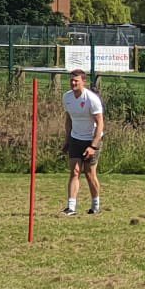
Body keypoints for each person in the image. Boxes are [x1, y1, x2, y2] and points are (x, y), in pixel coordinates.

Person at [59, 68, 104, 215]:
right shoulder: (67, 97)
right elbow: (68, 119)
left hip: (91, 138)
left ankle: (95, 205)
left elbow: (100, 124)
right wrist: (67, 140)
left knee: (90, 173)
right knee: (75, 171)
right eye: (71, 80)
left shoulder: (92, 99)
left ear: (83, 82)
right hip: (75, 138)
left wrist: (93, 146)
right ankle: (71, 207)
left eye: (76, 81)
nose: (73, 83)